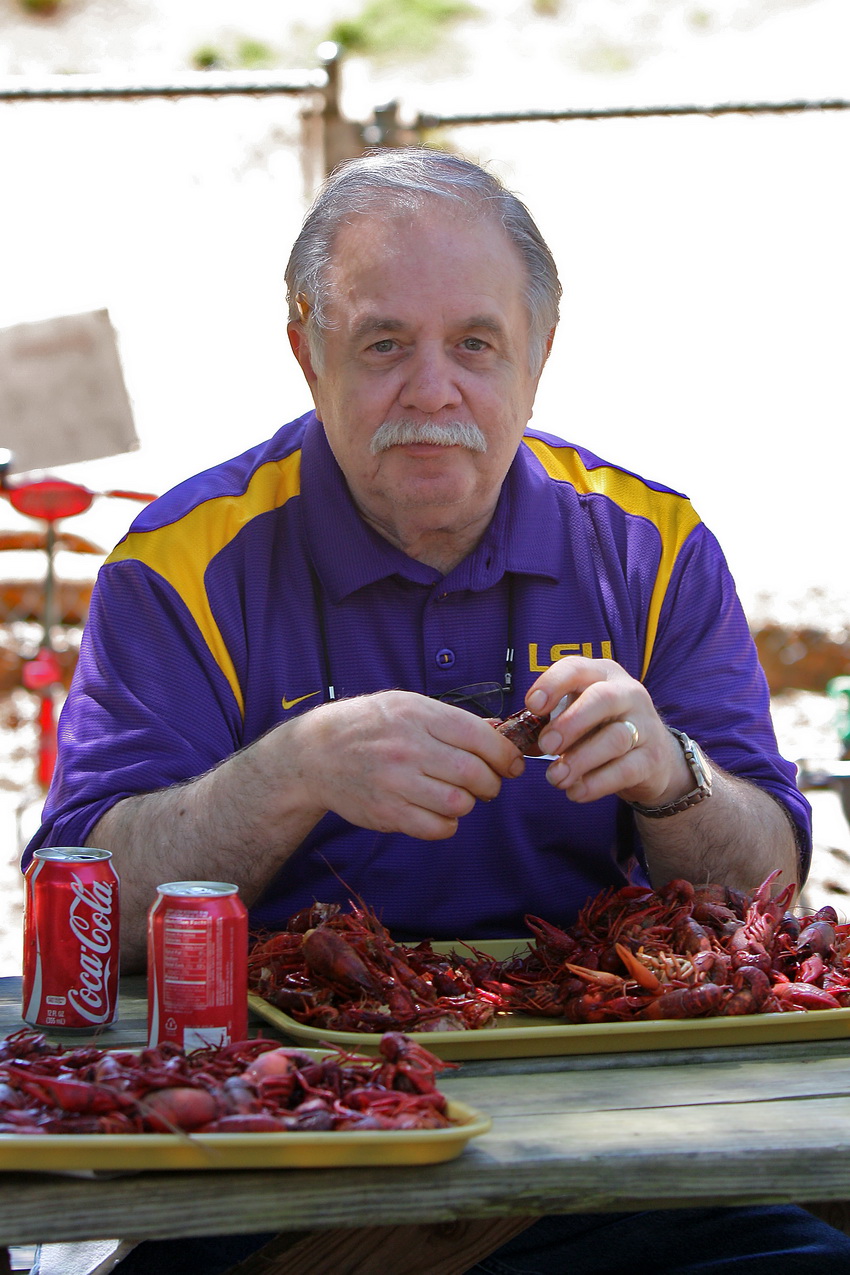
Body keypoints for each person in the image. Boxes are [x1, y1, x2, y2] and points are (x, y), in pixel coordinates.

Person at [24, 147, 850, 1273]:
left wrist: (673, 775)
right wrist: (292, 769)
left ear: (538, 355)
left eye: (473, 343)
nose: (432, 390)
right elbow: (86, 914)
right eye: (381, 345)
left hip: (622, 1148)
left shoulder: (652, 546)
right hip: (287, 1150)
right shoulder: (179, 566)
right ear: (306, 353)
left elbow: (768, 889)